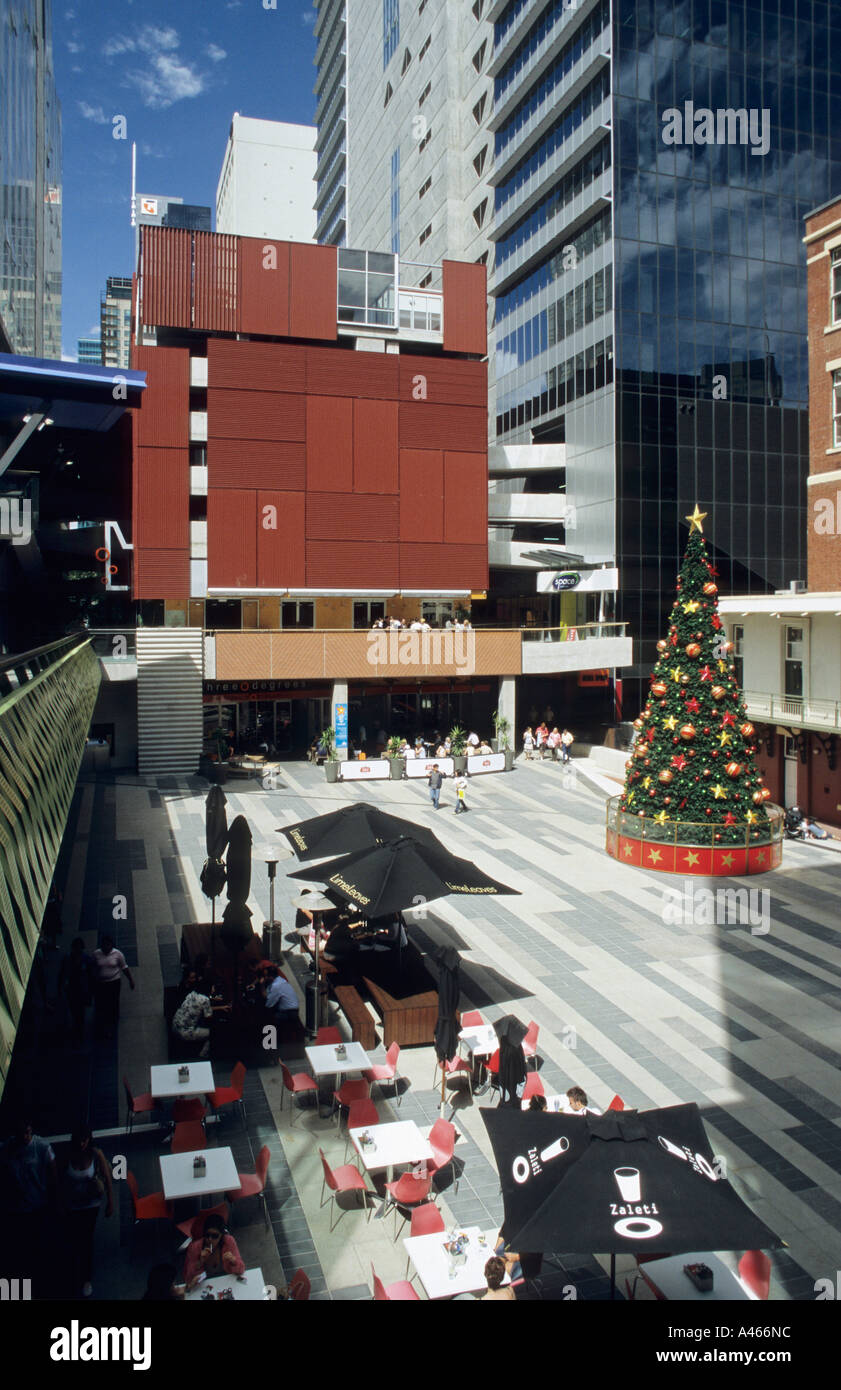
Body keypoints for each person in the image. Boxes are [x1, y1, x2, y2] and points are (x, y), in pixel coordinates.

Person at [0, 1118, 57, 1289]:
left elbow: (53, 1177)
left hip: (38, 1206)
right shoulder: (7, 1148)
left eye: (27, 1133)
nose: (25, 1137)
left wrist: (54, 1202)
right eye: (21, 1134)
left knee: (39, 1246)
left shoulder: (41, 1147)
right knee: (22, 1251)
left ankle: (41, 1283)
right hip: (17, 1209)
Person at [62, 1126, 113, 1298]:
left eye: (85, 1140)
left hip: (91, 1205)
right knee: (74, 1240)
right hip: (72, 1204)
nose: (82, 1143)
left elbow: (107, 1178)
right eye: (79, 1140)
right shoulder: (68, 1156)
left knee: (85, 1240)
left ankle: (86, 1278)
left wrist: (110, 1203)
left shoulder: (96, 1154)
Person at [183, 1214, 245, 1289]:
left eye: (215, 1236)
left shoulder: (229, 1241)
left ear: (221, 1235)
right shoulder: (195, 1247)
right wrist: (199, 1263)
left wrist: (233, 1261)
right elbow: (188, 1279)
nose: (210, 1239)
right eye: (207, 1235)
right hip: (205, 1283)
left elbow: (241, 1269)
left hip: (225, 1281)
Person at [91, 935, 134, 1039]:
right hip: (101, 983)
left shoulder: (117, 954)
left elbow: (124, 967)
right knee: (102, 1003)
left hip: (114, 982)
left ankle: (112, 1020)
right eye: (105, 945)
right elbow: (92, 967)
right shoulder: (96, 954)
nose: (106, 947)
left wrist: (130, 980)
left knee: (113, 1002)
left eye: (108, 945)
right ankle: (103, 1022)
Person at [58, 937, 94, 1046]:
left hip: (80, 990)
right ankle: (78, 1027)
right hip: (73, 990)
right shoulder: (69, 959)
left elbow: (91, 975)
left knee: (79, 1011)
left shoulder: (85, 959)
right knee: (75, 1010)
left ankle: (79, 1028)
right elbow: (62, 974)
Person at [172, 984, 215, 1058]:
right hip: (185, 1032)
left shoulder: (192, 994)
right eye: (213, 987)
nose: (214, 990)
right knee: (213, 1033)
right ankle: (203, 1055)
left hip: (175, 1026)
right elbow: (208, 1017)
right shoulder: (205, 1000)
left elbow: (199, 1007)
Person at [263, 965, 300, 1030]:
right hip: (292, 1010)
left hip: (290, 1013)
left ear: (270, 977)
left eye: (265, 976)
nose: (264, 977)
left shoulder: (276, 985)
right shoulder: (280, 980)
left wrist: (261, 985)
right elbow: (268, 992)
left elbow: (268, 1004)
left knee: (269, 1017)